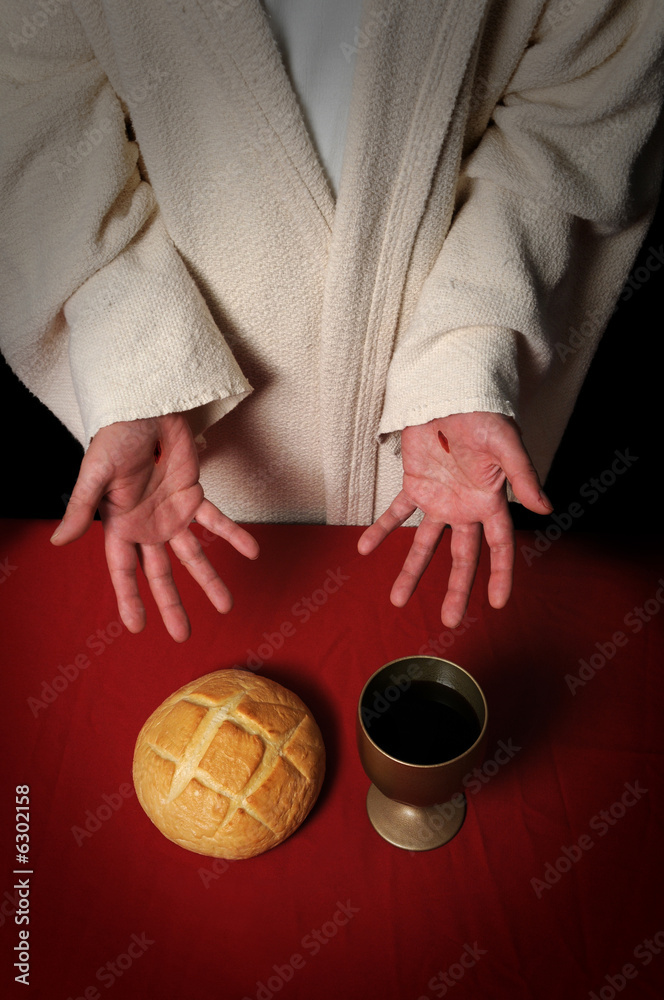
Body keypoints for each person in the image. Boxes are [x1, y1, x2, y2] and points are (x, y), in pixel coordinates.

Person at [2, 0, 663, 641]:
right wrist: (138, 367)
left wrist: (468, 358)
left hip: (454, 452)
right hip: (196, 463)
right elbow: (36, 118)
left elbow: (584, 105)